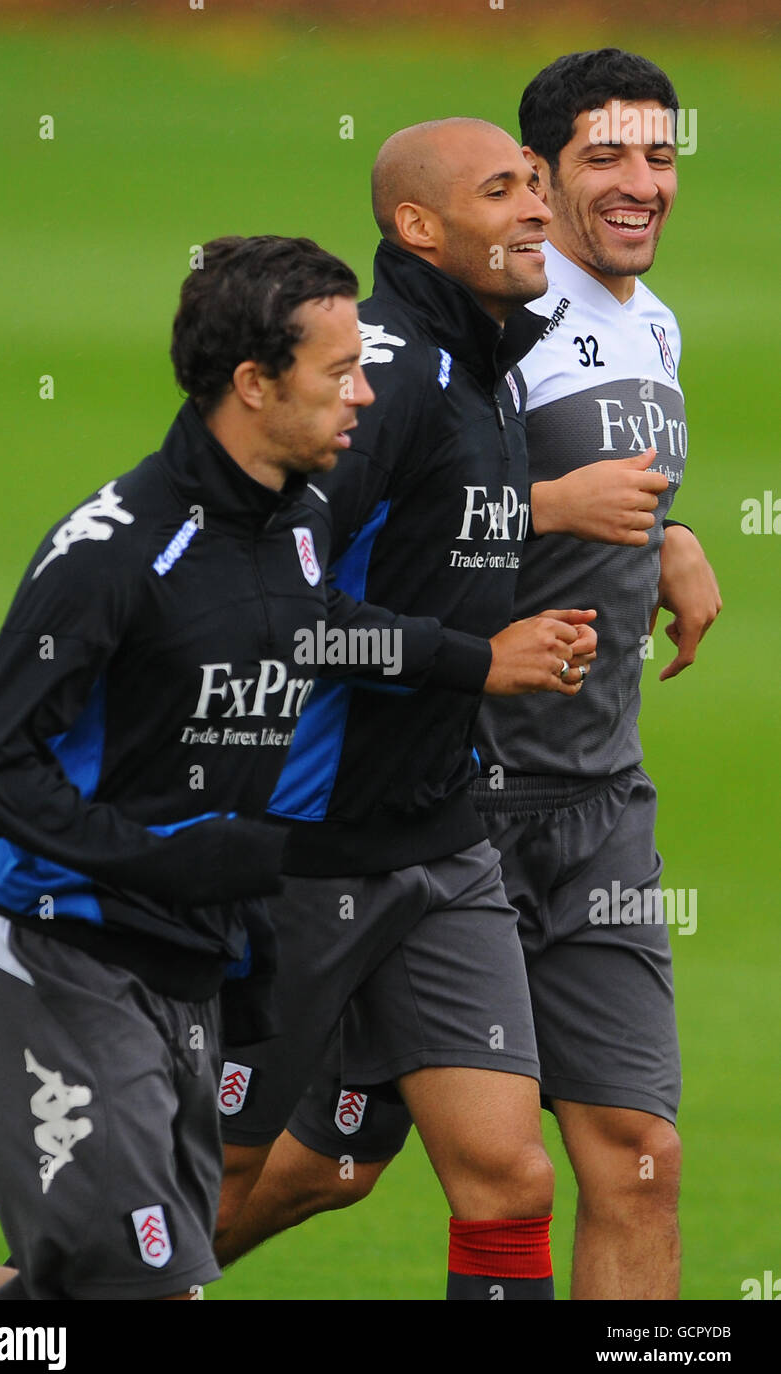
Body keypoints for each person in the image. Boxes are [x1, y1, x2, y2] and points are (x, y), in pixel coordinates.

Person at [0, 234, 539, 1301]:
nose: (364, 393)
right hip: (67, 963)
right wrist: (163, 862)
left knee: (111, 1289)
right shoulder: (115, 554)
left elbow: (323, 627)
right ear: (255, 384)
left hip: (190, 971)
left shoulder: (292, 529)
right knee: (130, 1284)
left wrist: (475, 662)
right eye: (339, 372)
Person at [220, 54, 721, 1303]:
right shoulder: (475, 330)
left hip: (594, 799)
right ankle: (23, 1298)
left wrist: (667, 534)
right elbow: (346, 542)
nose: (636, 184)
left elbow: (563, 498)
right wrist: (553, 508)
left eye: (657, 155)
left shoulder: (642, 321)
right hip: (443, 805)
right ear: (539, 177)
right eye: (599, 159)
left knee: (629, 1155)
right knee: (317, 1168)